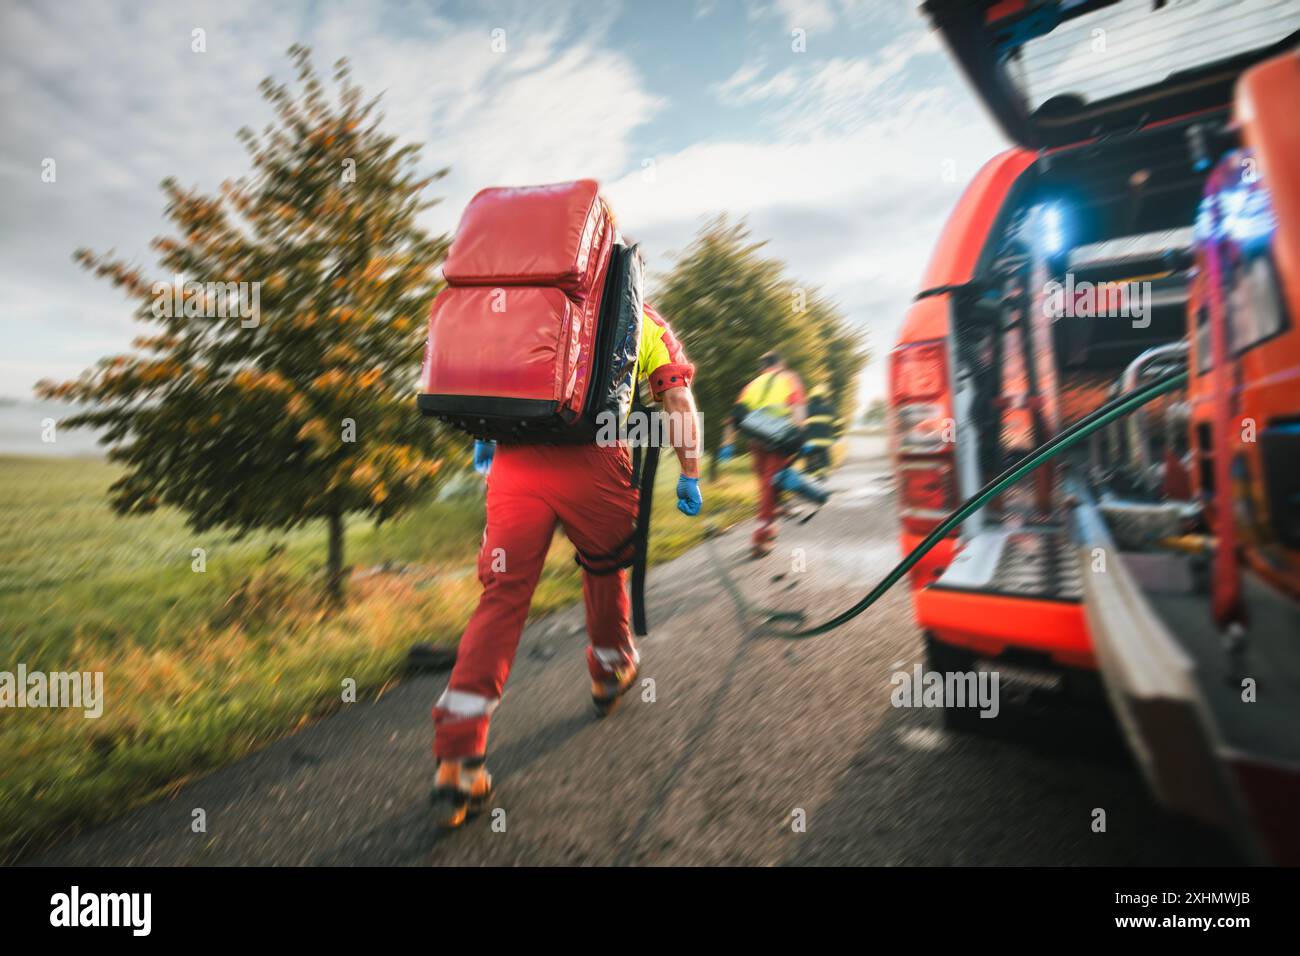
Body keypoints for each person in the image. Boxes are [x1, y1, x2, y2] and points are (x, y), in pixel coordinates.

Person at [430, 303, 702, 829]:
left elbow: (491, 382)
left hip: (516, 463)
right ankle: (609, 670)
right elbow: (676, 396)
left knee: (503, 596)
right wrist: (689, 470)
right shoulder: (638, 312)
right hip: (594, 458)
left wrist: (487, 441)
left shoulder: (519, 302)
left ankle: (458, 759)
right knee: (603, 565)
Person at [719, 351, 805, 558]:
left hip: (756, 442)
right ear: (781, 364)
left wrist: (726, 444)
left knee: (766, 487)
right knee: (770, 488)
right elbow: (798, 411)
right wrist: (800, 437)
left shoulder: (751, 385)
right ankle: (761, 538)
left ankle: (771, 526)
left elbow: (734, 418)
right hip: (778, 440)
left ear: (762, 367)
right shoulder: (788, 380)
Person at [801, 385, 840, 481]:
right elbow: (839, 425)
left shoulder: (806, 409)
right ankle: (822, 476)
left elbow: (799, 425)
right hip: (825, 443)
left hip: (809, 443)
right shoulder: (830, 409)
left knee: (809, 462)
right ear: (824, 397)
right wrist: (835, 438)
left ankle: (810, 479)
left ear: (811, 396)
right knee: (825, 463)